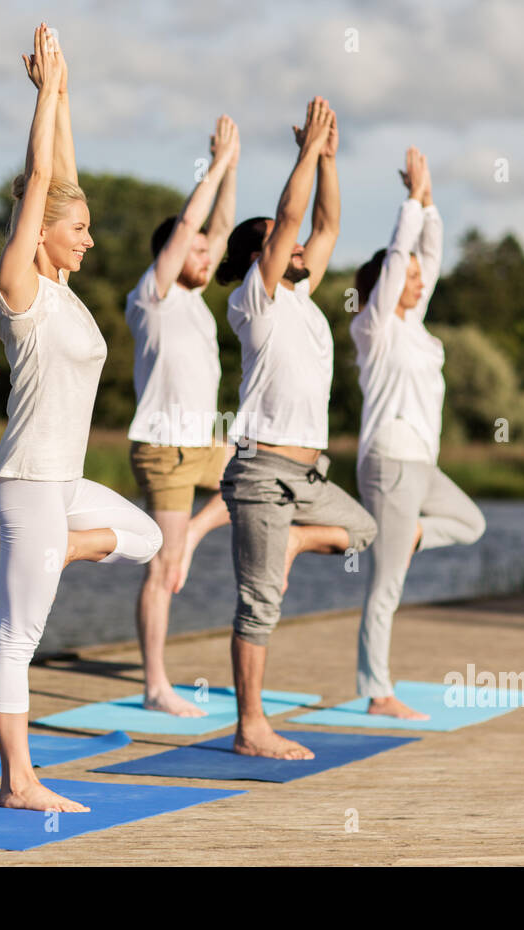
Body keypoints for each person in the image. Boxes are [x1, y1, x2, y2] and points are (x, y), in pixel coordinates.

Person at [0, 25, 163, 812]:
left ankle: (65, 550)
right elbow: (39, 177)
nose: (90, 239)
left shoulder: (62, 294)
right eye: (79, 228)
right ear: (42, 233)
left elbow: (59, 173)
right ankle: (17, 781)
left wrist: (64, 91)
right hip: (27, 481)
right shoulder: (21, 295)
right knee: (18, 636)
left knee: (152, 538)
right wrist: (43, 95)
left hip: (61, 486)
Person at [213, 97, 377, 760]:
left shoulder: (303, 298)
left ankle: (293, 544)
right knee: (259, 608)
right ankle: (250, 726)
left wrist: (330, 159)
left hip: (308, 476)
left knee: (365, 530)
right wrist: (304, 151)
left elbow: (326, 220)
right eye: (289, 246)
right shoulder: (254, 297)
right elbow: (290, 218)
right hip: (260, 472)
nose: (306, 245)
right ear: (263, 256)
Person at [350, 147, 486, 720]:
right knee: (387, 586)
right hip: (389, 461)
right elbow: (406, 251)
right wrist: (408, 203)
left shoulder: (416, 326)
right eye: (403, 277)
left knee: (472, 523)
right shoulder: (375, 326)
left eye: (415, 280)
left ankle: (409, 535)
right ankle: (377, 691)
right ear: (386, 281)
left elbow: (428, 253)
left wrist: (429, 201)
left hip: (421, 466)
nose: (415, 281)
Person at [125, 115, 239, 717]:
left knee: (254, 485)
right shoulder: (154, 294)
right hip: (163, 447)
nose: (205, 253)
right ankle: (156, 687)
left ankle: (194, 533)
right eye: (193, 249)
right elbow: (195, 225)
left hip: (205, 443)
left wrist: (234, 163)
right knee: (163, 566)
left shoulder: (196, 301)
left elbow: (216, 227)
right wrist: (215, 165)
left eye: (206, 251)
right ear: (170, 255)